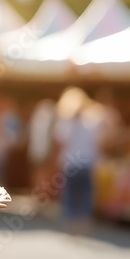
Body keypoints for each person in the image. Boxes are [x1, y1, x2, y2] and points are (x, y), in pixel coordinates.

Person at [54, 87, 110, 233]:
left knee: (71, 193)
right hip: (87, 162)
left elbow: (61, 143)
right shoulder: (92, 122)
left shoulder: (66, 123)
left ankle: (72, 221)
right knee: (85, 193)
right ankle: (83, 221)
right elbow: (99, 143)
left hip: (71, 163)